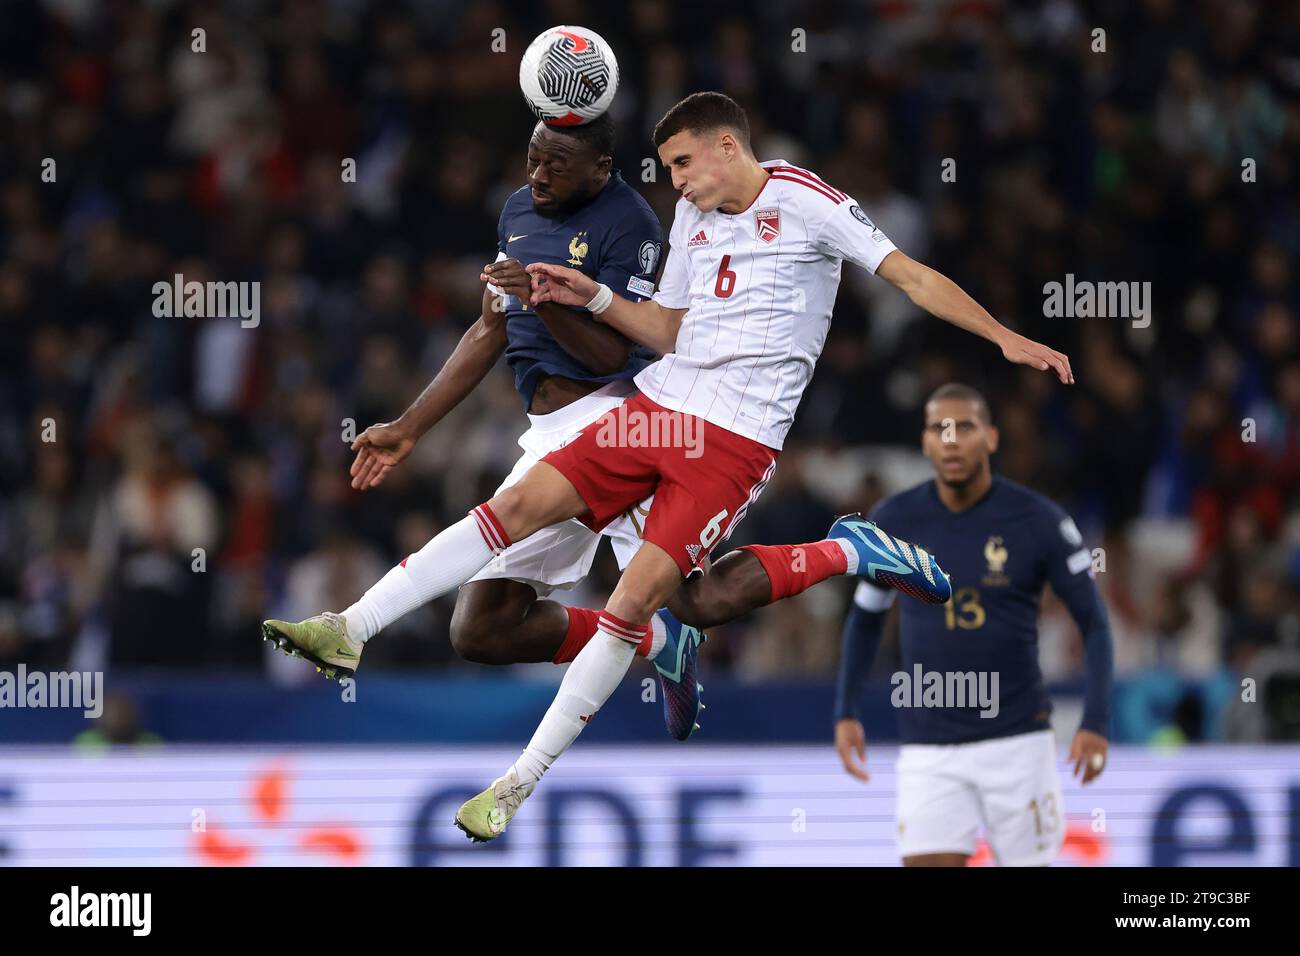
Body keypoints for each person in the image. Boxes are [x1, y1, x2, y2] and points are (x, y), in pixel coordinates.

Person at [265, 91, 1071, 842]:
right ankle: (351, 627)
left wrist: (1003, 337)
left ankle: (517, 782)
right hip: (655, 406)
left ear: (728, 146)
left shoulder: (806, 200)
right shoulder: (690, 216)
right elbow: (668, 330)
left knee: (639, 604)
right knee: (515, 513)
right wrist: (588, 295)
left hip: (734, 443)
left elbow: (911, 275)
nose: (676, 184)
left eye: (684, 165)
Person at [833, 383, 1113, 866]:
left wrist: (1096, 720)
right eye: (939, 429)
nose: (951, 440)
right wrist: (846, 710)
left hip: (1018, 741)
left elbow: (1094, 622)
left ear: (991, 438)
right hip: (930, 745)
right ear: (924, 442)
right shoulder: (894, 521)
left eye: (965, 427)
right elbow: (865, 618)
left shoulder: (1038, 520)